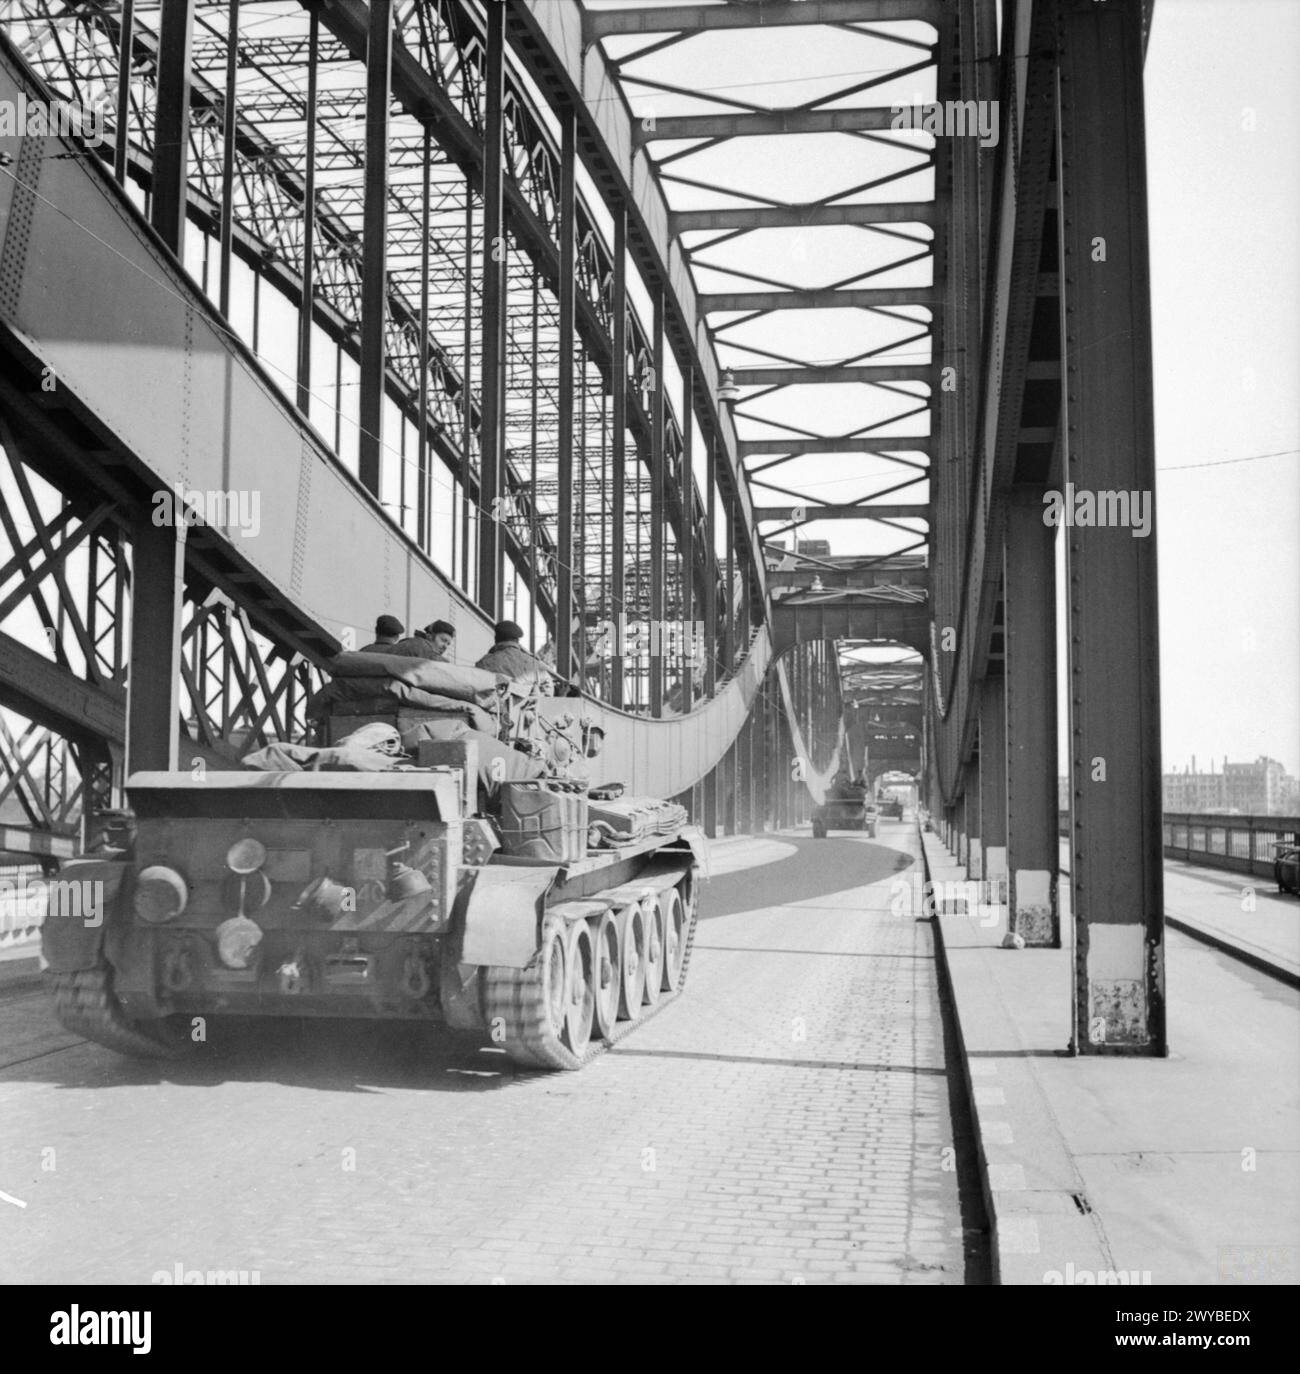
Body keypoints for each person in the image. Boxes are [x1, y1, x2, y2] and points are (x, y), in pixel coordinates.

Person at [475, 619, 549, 682]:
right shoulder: (535, 663)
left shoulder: (484, 663)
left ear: (496, 638)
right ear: (517, 640)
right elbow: (547, 691)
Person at [389, 619, 456, 661]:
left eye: (448, 644)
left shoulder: (410, 642)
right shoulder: (422, 649)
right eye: (443, 640)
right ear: (430, 636)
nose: (445, 647)